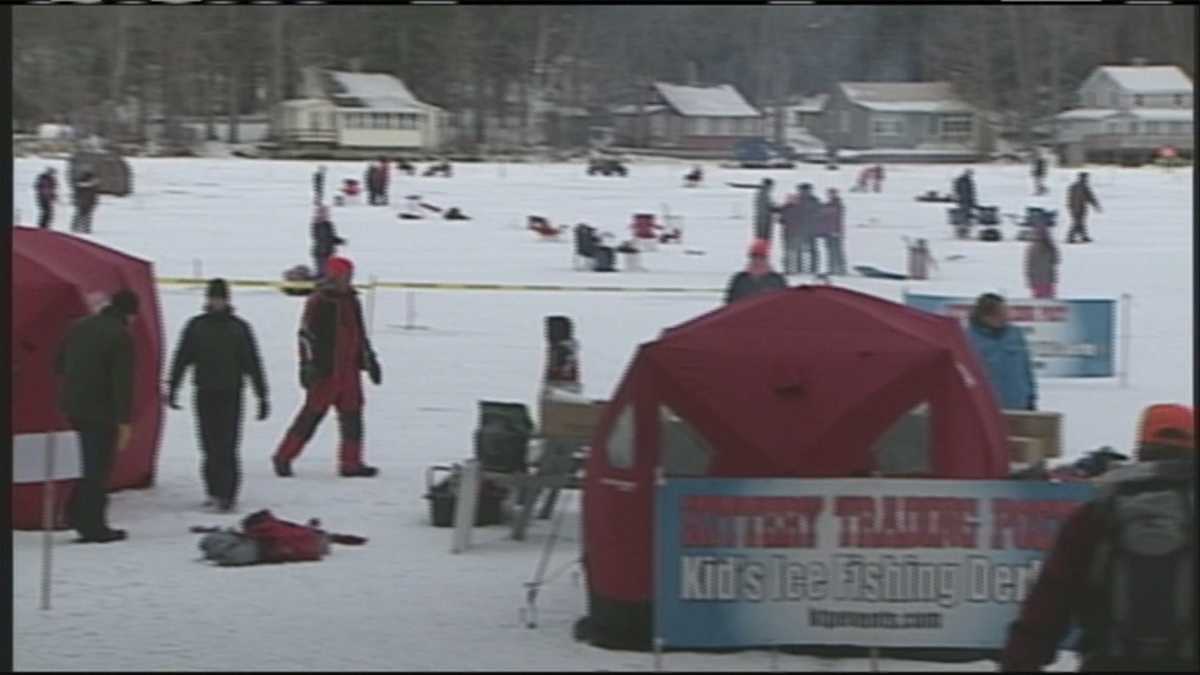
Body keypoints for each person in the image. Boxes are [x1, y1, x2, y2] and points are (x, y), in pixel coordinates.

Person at [1000, 403, 1196, 672]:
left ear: (1140, 448)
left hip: (1109, 661)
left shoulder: (1098, 513)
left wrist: (1021, 661)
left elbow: (1050, 598)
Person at [273, 256, 383, 478]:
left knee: (353, 418)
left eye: (349, 276)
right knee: (311, 416)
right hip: (326, 372)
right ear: (334, 276)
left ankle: (351, 464)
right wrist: (306, 365)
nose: (348, 280)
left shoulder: (352, 300)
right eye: (344, 276)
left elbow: (359, 334)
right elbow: (305, 337)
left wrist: (369, 358)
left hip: (349, 370)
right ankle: (283, 456)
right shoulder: (319, 301)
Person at [166, 279, 270, 512]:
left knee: (228, 445)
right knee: (208, 446)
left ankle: (228, 494)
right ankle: (213, 490)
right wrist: (173, 386)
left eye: (220, 298)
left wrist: (262, 395)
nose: (216, 302)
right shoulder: (196, 326)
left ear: (227, 300)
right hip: (204, 392)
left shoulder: (239, 328)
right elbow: (182, 358)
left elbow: (252, 363)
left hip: (231, 393)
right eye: (213, 298)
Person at [54, 290, 139, 543]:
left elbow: (58, 364)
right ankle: (92, 526)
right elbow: (122, 383)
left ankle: (76, 515)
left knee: (89, 464)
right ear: (130, 313)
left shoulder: (78, 326)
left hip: (73, 408)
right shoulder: (121, 336)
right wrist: (124, 421)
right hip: (102, 412)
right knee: (98, 469)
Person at [966, 293, 1036, 411]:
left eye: (1006, 311)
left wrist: (1031, 397)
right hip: (984, 409)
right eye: (1002, 312)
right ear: (986, 316)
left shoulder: (1015, 334)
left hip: (1019, 406)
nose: (1006, 316)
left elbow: (1026, 368)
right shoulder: (967, 339)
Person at [725, 239, 787, 304]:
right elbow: (729, 306)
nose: (757, 261)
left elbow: (784, 303)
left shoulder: (777, 280)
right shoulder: (739, 280)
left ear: (766, 259)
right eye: (754, 257)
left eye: (761, 257)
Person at [794, 183, 823, 276]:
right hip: (799, 229)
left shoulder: (814, 200)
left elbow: (820, 213)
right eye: (802, 190)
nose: (803, 192)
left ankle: (813, 269)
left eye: (805, 190)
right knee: (798, 250)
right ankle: (799, 268)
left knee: (813, 250)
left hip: (811, 229)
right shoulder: (796, 200)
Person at [1025, 223, 1060, 299]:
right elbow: (1056, 260)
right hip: (1047, 280)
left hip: (1038, 280)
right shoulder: (1049, 247)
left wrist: (1030, 280)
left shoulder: (1032, 248)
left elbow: (1028, 266)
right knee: (1049, 301)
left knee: (1040, 302)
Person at [311, 205, 346, 280]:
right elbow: (320, 237)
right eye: (322, 213)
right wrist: (325, 248)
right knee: (322, 271)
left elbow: (330, 237)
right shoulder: (317, 224)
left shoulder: (328, 224)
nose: (325, 215)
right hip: (320, 251)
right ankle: (319, 284)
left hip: (329, 251)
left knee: (328, 270)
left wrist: (338, 240)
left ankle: (326, 283)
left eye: (326, 213)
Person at [1066, 172, 1101, 244]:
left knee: (1080, 222)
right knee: (1077, 223)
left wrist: (1096, 205)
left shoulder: (1074, 186)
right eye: (1085, 178)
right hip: (1078, 208)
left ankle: (1084, 236)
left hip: (1074, 207)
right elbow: (1090, 198)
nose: (1086, 179)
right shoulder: (1083, 187)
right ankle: (1070, 237)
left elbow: (1090, 197)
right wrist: (1096, 206)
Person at [821, 188, 847, 276]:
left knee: (837, 251)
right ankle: (832, 268)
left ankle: (841, 269)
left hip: (835, 231)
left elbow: (835, 217)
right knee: (830, 251)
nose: (830, 195)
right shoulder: (828, 205)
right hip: (827, 231)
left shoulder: (837, 205)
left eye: (831, 194)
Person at [71, 169, 100, 234]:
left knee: (85, 216)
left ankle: (83, 228)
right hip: (83, 202)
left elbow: (94, 195)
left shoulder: (92, 186)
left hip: (87, 202)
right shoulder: (84, 185)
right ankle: (78, 228)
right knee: (81, 215)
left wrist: (94, 202)